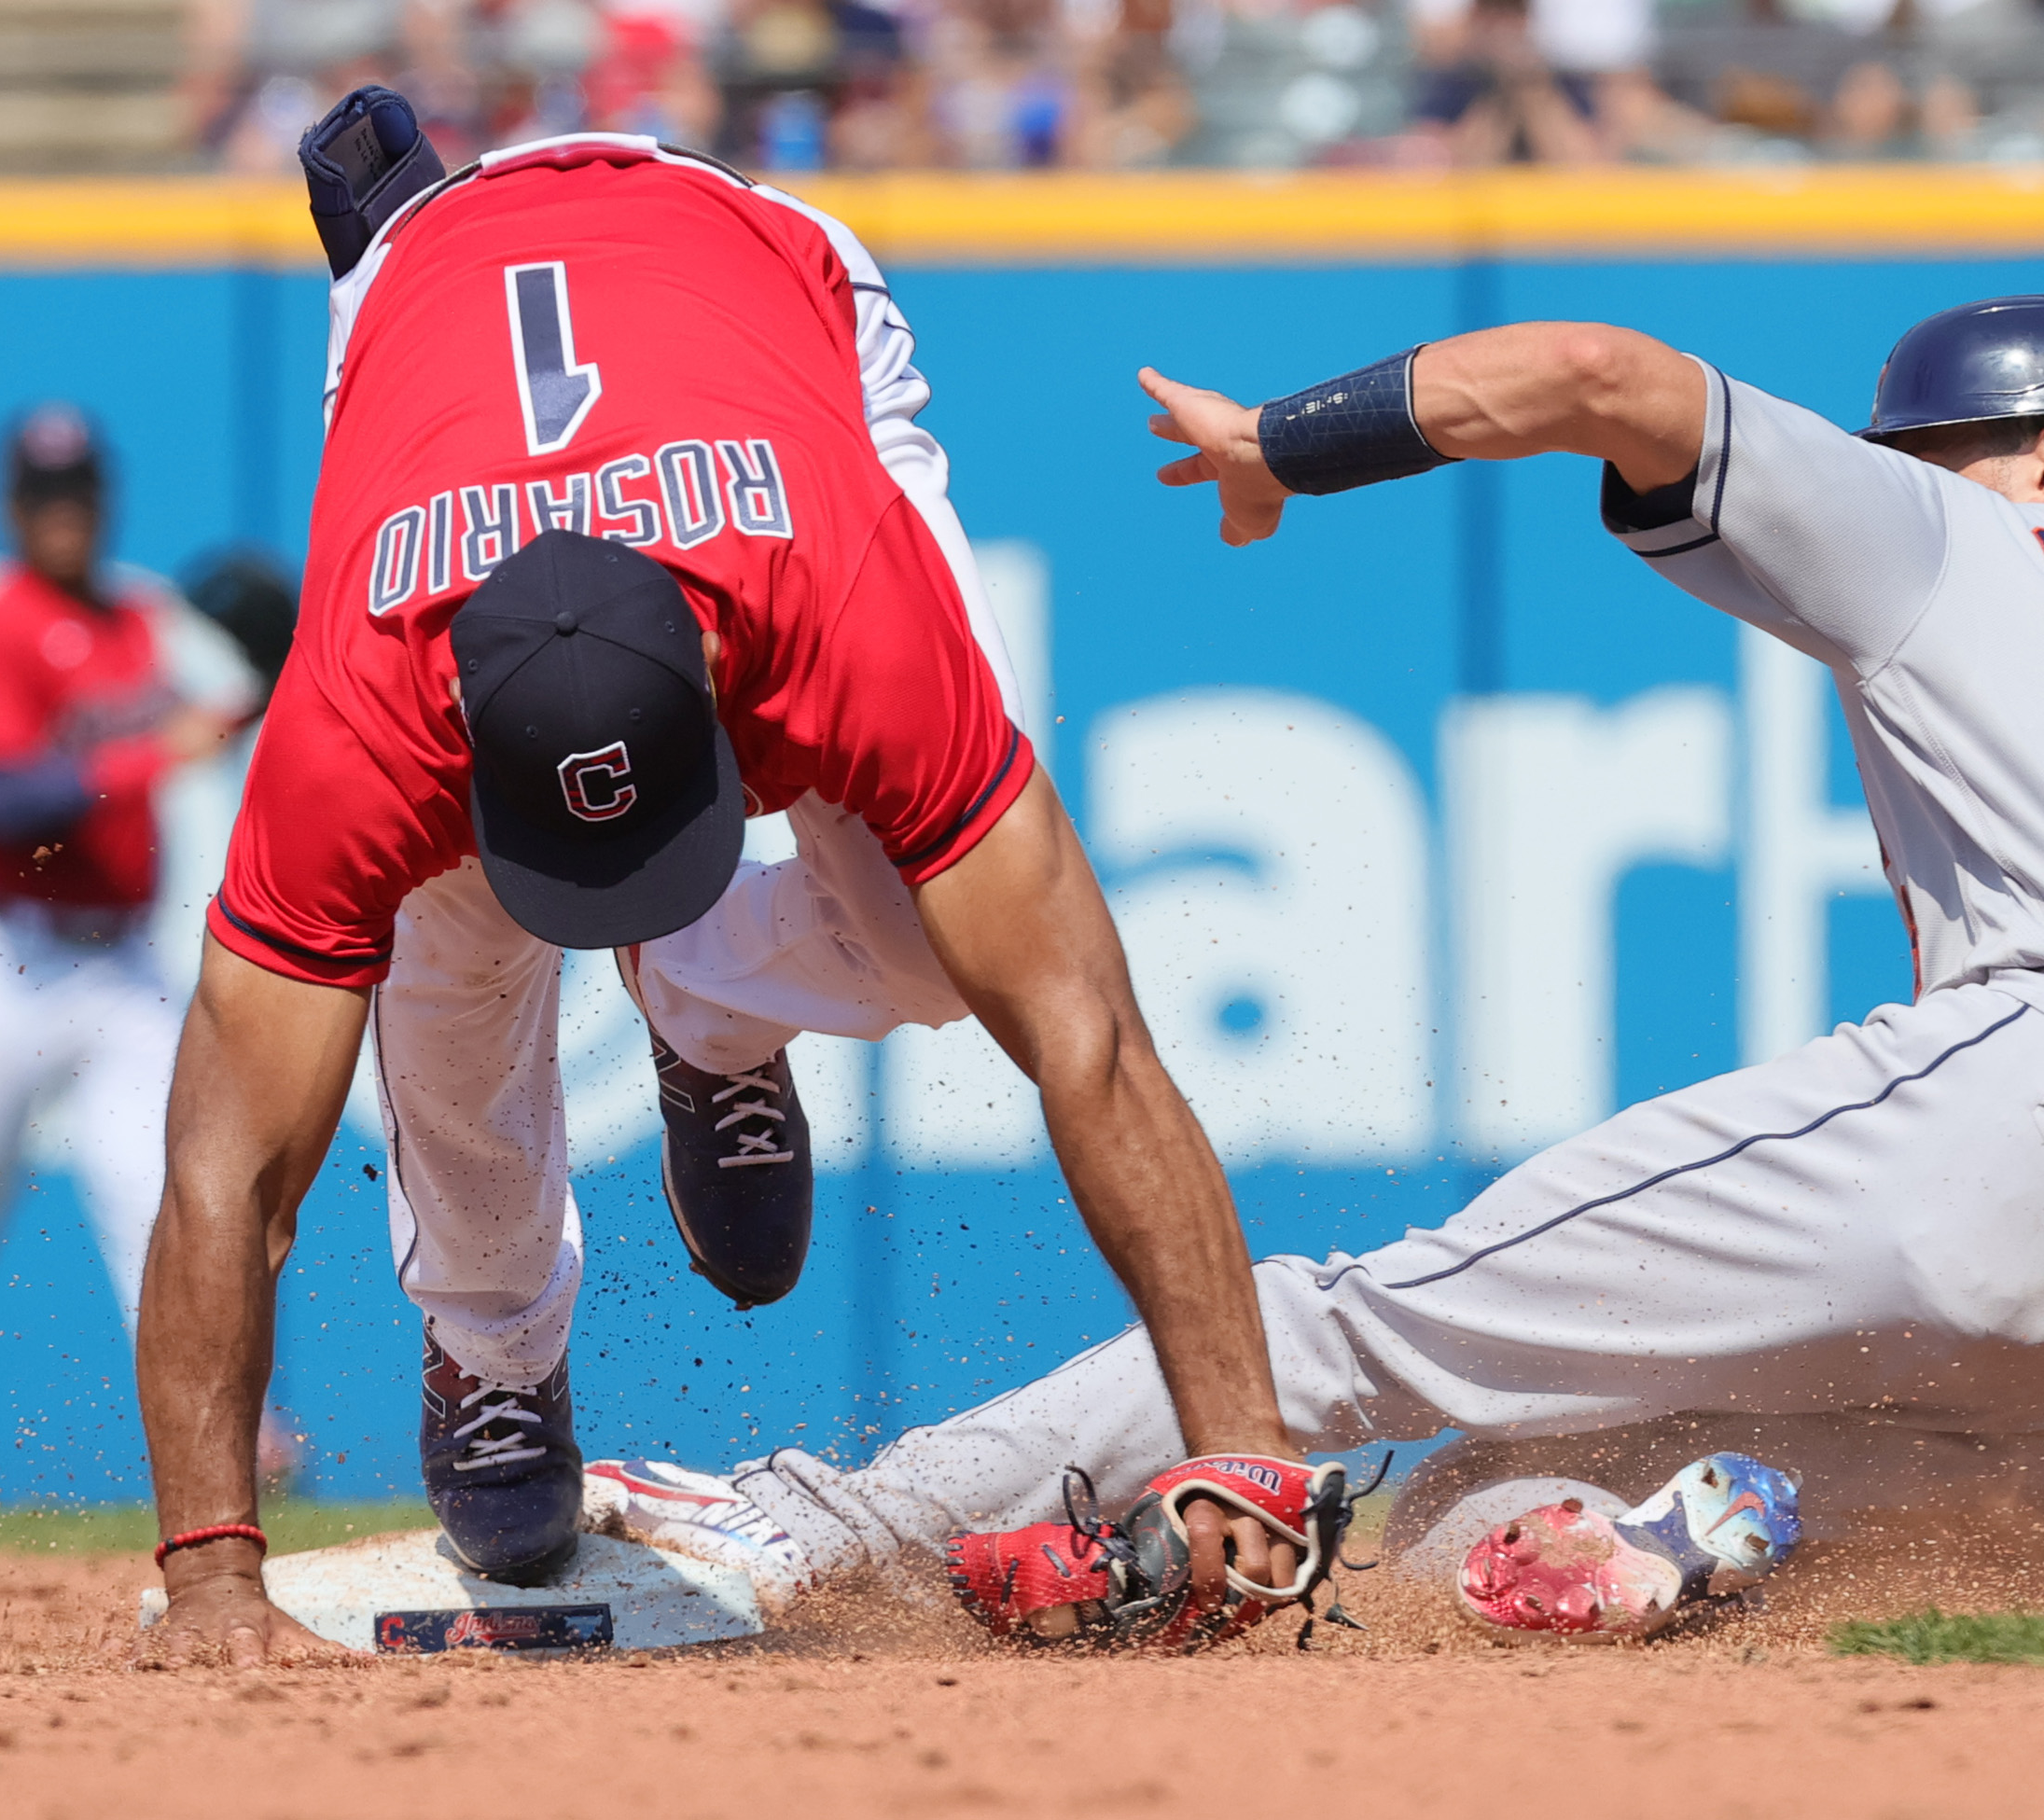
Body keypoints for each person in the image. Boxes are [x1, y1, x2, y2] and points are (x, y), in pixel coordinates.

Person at [645, 295, 2044, 1641]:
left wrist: (1279, 445)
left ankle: (823, 1528)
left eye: (1934, 445)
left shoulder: (1987, 544)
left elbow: (1596, 376)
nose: (1899, 472)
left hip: (2040, 1125)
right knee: (1484, 1532)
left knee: (1325, 1331)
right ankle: (1694, 1533)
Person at [135, 86, 1310, 1664]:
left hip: (767, 289)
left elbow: (1085, 1033)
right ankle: (492, 1348)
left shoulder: (846, 604)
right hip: (426, 302)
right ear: (462, 733)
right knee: (451, 935)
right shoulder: (362, 712)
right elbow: (232, 1174)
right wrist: (212, 1569)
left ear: (715, 674)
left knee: (939, 946)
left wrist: (1241, 1448)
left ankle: (704, 1000)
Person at [0, 409, 259, 1515]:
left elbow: (214, 714)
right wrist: (153, 752)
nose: (65, 514)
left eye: (79, 494)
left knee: (161, 1198)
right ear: (10, 509)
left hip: (119, 964)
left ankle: (217, 1448)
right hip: (2, 955)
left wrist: (265, 678)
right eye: (45, 496)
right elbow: (4, 797)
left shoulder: (139, 620)